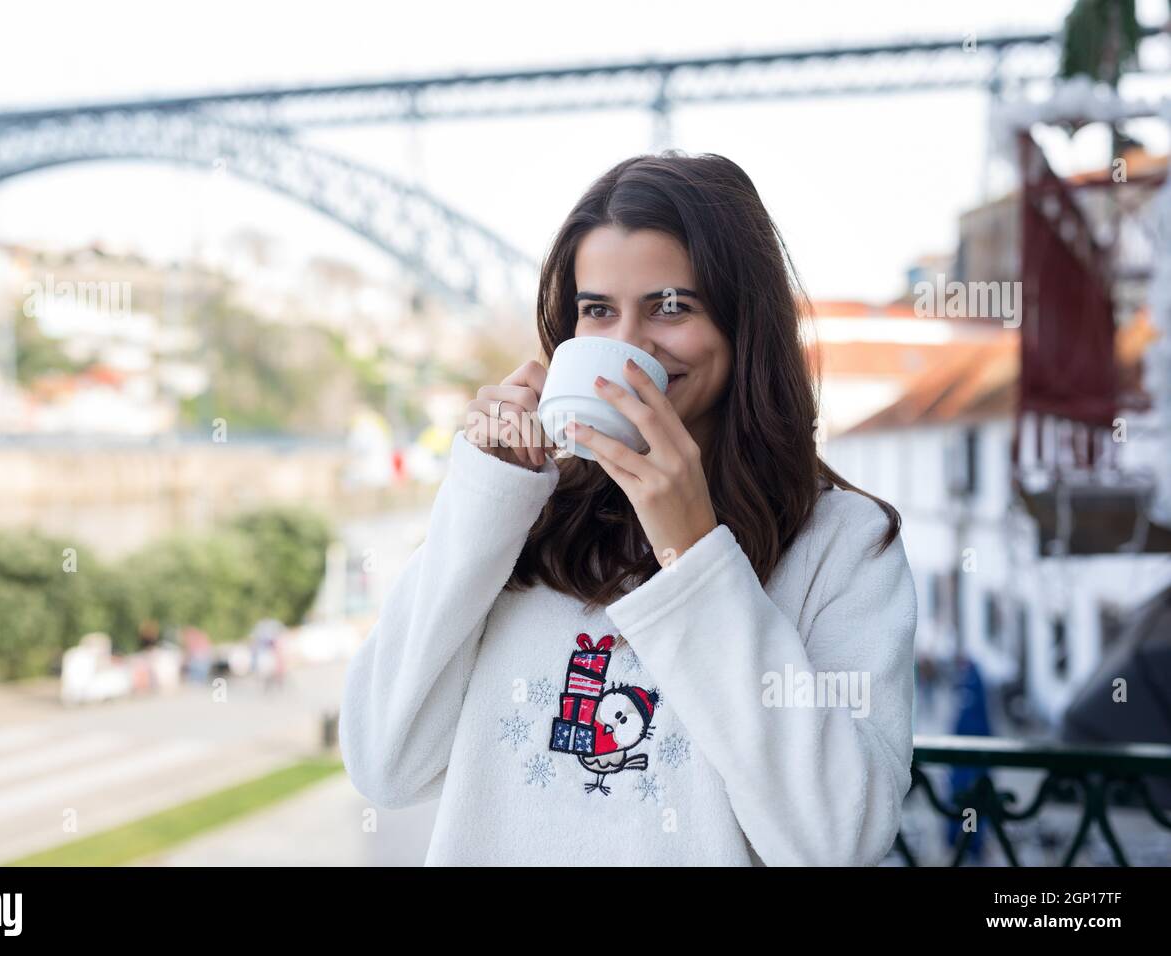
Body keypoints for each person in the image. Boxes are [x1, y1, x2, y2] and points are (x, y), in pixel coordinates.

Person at [340, 151, 917, 866]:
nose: (628, 345)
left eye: (670, 308)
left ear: (743, 322)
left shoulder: (845, 545)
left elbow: (837, 840)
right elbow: (383, 764)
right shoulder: (523, 511)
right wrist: (485, 494)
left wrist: (695, 555)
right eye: (597, 310)